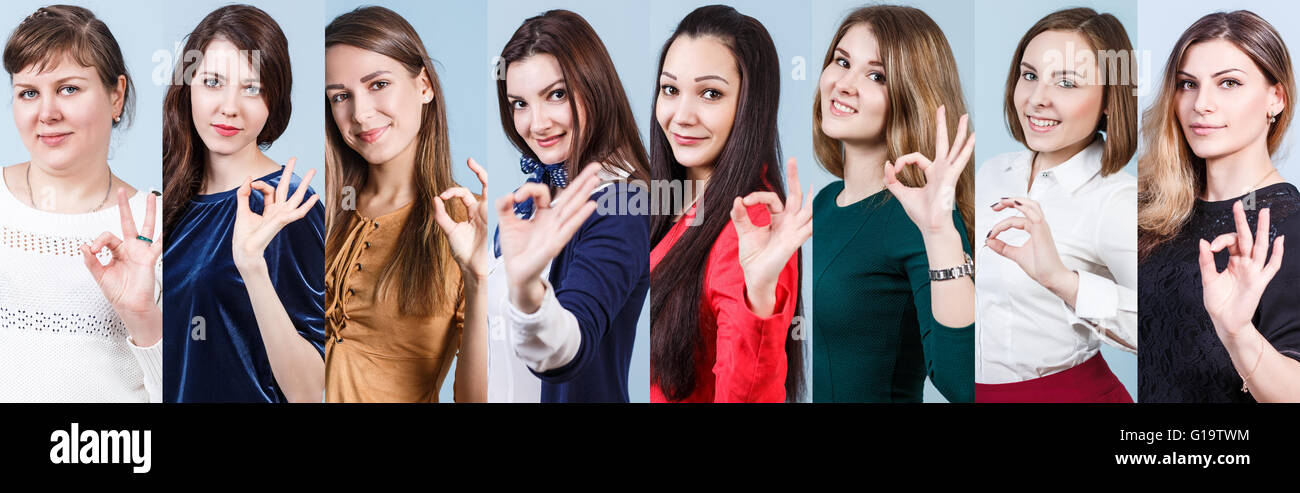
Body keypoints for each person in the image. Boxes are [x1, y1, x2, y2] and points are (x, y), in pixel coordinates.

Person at [322, 6, 488, 403]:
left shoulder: (468, 223)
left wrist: (479, 281)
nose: (359, 113)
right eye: (341, 96)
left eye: (378, 84)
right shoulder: (321, 210)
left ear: (425, 85)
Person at [811, 5, 975, 403]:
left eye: (876, 75)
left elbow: (964, 385)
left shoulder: (919, 219)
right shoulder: (824, 203)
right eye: (842, 61)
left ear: (910, 96)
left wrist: (939, 233)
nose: (845, 84)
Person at [162, 4, 325, 403]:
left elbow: (308, 390)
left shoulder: (286, 207)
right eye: (213, 82)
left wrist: (252, 268)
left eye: (252, 88)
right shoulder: (167, 196)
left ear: (273, 100)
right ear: (188, 86)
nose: (229, 107)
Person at [976, 7, 1137, 403]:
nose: (1036, 99)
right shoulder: (991, 173)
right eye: (1029, 76)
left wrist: (1061, 280)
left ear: (1109, 101)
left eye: (1066, 82)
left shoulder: (1116, 200)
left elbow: (1171, 326)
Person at [0, 5, 161, 402]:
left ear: (116, 95)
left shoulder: (158, 224)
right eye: (29, 93)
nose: (47, 113)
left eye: (69, 88)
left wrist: (144, 320)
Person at [488, 9, 651, 403]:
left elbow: (569, 347)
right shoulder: (530, 199)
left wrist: (527, 290)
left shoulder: (624, 207)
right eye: (519, 103)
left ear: (595, 87)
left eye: (556, 95)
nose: (536, 123)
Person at [1138, 10, 1300, 403]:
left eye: (1229, 83)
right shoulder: (1151, 212)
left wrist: (1236, 332)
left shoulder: (1291, 227)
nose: (1201, 104)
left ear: (1275, 98)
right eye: (1187, 84)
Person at [649, 5, 808, 403]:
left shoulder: (750, 223)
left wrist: (759, 290)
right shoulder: (669, 204)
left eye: (710, 93)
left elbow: (746, 392)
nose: (681, 115)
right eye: (670, 90)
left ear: (749, 107)